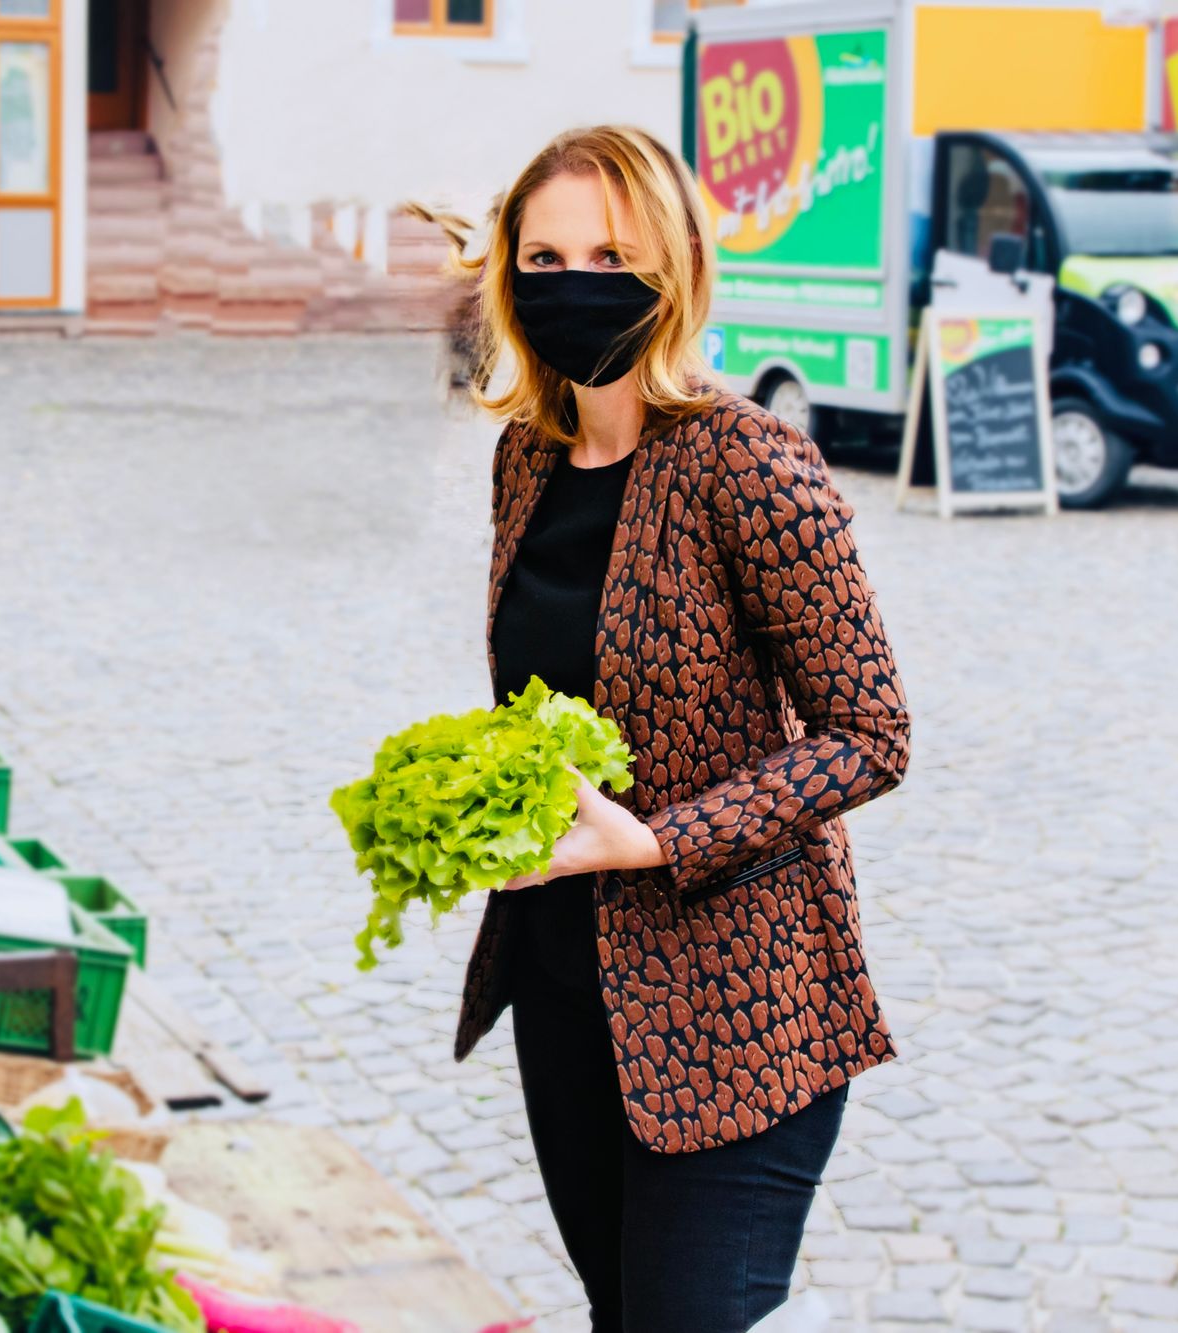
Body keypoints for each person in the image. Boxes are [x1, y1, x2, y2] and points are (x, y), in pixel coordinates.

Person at [450, 125, 911, 1332]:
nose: (573, 284)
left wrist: (652, 841)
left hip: (735, 1007)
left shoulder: (750, 464)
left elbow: (870, 733)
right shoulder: (524, 460)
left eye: (610, 252)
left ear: (676, 271)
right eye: (542, 259)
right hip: (564, 978)